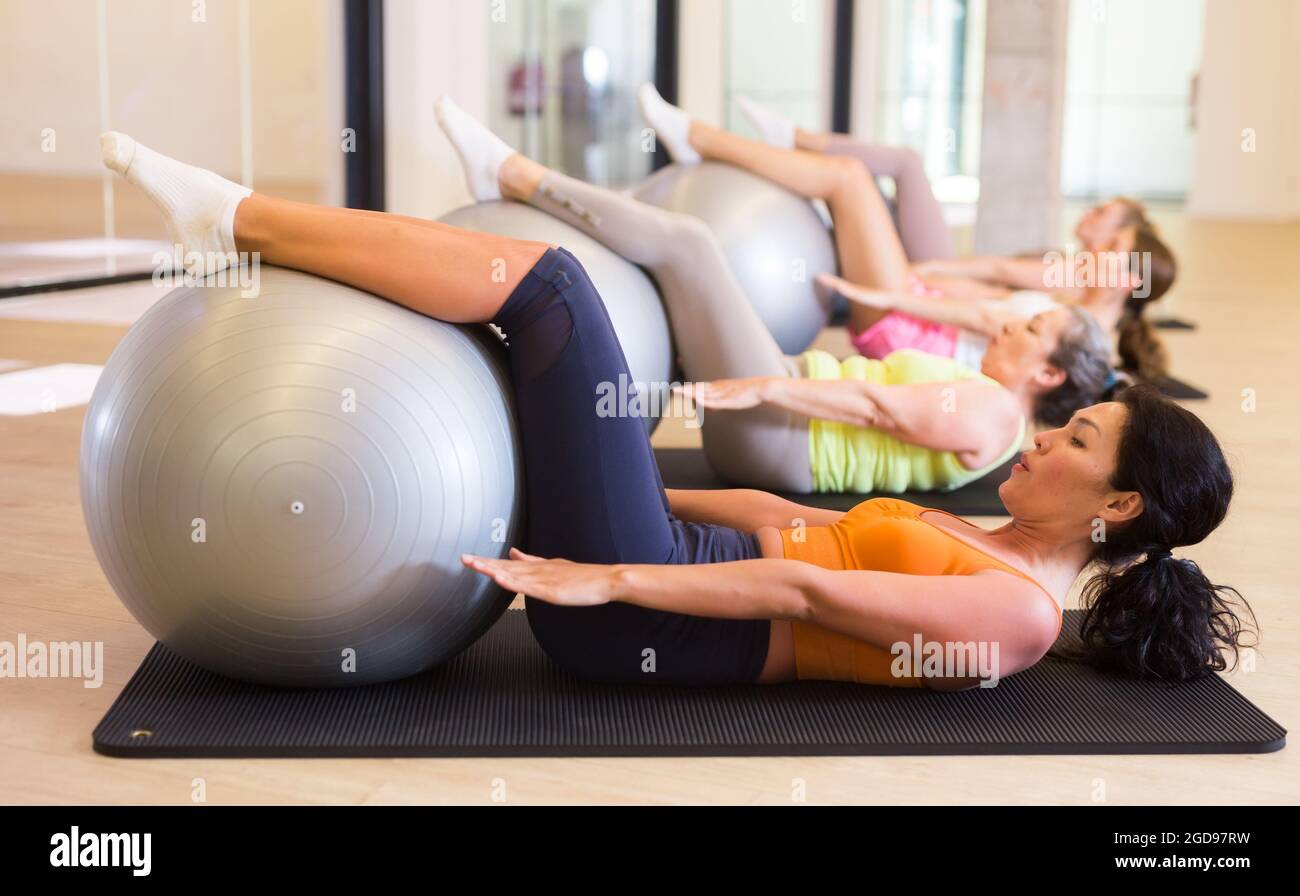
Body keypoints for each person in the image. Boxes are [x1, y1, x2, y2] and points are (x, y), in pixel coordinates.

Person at [99, 131, 1253, 690]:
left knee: (549, 292)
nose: (1048, 433)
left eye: (1078, 439)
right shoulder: (994, 543)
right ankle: (247, 224)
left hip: (661, 626)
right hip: (670, 556)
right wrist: (618, 482)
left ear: (1119, 502)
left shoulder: (1018, 619)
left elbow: (801, 587)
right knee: (540, 343)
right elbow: (773, 511)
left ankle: (234, 219)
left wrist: (607, 575)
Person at [436, 98, 1111, 494]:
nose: (1005, 328)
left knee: (692, 246)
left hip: (783, 440)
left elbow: (874, 406)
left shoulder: (994, 414)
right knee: (688, 269)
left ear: (1047, 371)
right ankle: (545, 193)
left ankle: (515, 176)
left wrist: (764, 388)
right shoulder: (993, 401)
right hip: (785, 408)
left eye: (1029, 330)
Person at [654, 89, 1177, 382]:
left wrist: (898, 289)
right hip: (917, 315)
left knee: (850, 181)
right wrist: (926, 279)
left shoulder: (1083, 334)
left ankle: (699, 138)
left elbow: (981, 317)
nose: (1095, 250)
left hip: (909, 333)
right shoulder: (1072, 298)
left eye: (1111, 251)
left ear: (1129, 282)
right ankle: (729, 144)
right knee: (862, 190)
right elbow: (989, 291)